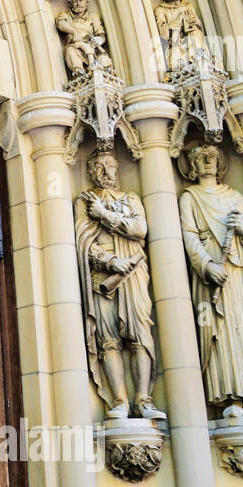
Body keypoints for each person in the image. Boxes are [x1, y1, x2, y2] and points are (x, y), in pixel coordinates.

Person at [179, 143, 243, 417]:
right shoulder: (190, 197)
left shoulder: (234, 197)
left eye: (211, 157)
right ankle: (227, 396)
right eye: (201, 158)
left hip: (237, 271)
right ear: (192, 166)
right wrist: (207, 266)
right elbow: (189, 236)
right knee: (217, 332)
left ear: (220, 163)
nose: (207, 162)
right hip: (210, 274)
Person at [75, 149, 161, 419]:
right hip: (104, 274)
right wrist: (111, 262)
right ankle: (120, 401)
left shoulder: (130, 198)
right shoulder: (85, 200)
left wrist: (104, 216)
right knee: (108, 340)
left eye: (110, 166)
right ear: (89, 172)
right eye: (98, 167)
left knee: (140, 334)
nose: (105, 172)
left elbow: (140, 230)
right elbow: (82, 242)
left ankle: (143, 399)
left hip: (134, 272)